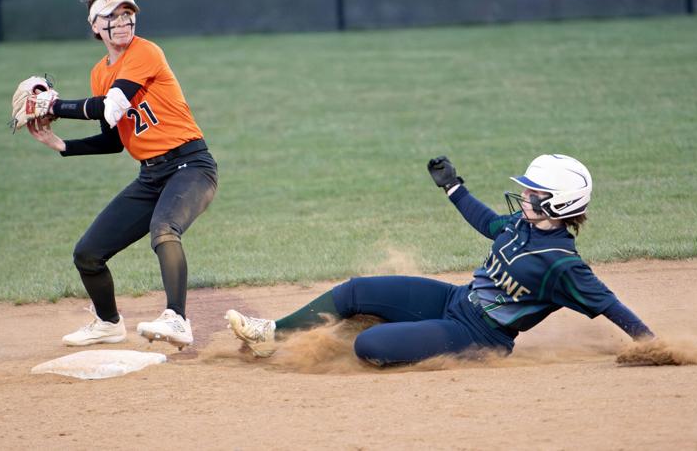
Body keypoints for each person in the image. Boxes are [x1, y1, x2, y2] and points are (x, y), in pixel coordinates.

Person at [225, 154, 653, 365]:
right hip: (455, 300)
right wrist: (454, 187)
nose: (524, 195)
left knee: (368, 345)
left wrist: (654, 347)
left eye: (534, 193)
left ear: (560, 205)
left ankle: (393, 334)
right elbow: (487, 222)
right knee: (357, 290)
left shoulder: (564, 265)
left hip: (481, 336)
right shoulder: (523, 224)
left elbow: (611, 306)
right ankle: (271, 335)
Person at [22, 0, 218, 350]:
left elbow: (111, 107)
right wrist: (60, 144)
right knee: (88, 253)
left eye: (127, 13)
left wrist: (54, 106)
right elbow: (114, 138)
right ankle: (108, 323)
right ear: (95, 26)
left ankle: (177, 318)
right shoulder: (100, 72)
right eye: (111, 16)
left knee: (164, 229)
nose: (123, 21)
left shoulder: (146, 52)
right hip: (151, 175)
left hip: (191, 166)